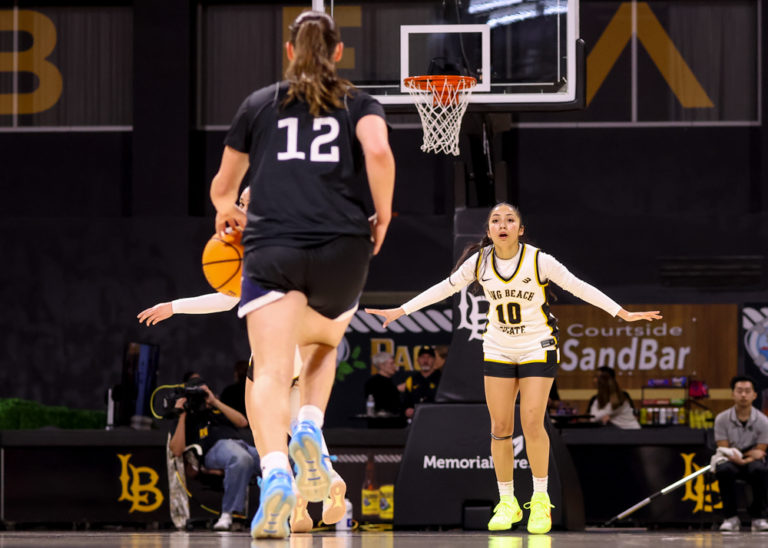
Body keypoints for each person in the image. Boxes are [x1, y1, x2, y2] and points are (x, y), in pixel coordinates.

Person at [209, 9, 394, 539]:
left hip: (274, 246)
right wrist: (382, 215)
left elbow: (224, 186)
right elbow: (379, 151)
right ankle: (309, 426)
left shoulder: (259, 103)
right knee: (321, 347)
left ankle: (274, 474)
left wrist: (227, 212)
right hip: (343, 245)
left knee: (269, 371)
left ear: (289, 52)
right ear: (338, 52)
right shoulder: (360, 102)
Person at [366, 203, 661, 534]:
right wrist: (401, 310)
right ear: (489, 230)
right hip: (498, 347)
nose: (502, 225)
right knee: (500, 427)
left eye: (509, 220)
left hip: (537, 346)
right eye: (496, 220)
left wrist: (621, 312)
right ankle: (507, 501)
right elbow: (445, 287)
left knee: (532, 422)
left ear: (520, 230)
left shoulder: (539, 260)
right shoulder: (479, 262)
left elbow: (578, 285)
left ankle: (540, 500)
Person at [137, 188, 350, 534]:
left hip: (277, 340)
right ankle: (327, 482)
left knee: (264, 421)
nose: (239, 208)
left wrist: (174, 306)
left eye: (246, 203)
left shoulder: (253, 245)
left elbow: (226, 299)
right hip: (310, 340)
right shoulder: (299, 234)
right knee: (298, 421)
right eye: (240, 202)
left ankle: (286, 489)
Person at [168, 372, 257, 531]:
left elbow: (243, 422)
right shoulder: (188, 418)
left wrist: (215, 402)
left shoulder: (216, 410)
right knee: (241, 459)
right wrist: (182, 414)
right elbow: (176, 450)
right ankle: (228, 514)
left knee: (278, 460)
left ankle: (292, 512)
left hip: (241, 445)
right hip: (214, 449)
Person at [713, 375, 768, 532]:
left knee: (760, 469)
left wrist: (746, 459)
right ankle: (730, 518)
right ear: (733, 394)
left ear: (754, 395)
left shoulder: (764, 421)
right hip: (730, 460)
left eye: (747, 391)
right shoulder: (721, 419)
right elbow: (724, 449)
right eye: (739, 391)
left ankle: (759, 517)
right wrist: (745, 457)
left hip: (752, 462)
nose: (743, 395)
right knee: (723, 470)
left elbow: (761, 451)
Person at [402, 346, 442, 419]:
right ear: (418, 360)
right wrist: (407, 410)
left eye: (429, 357)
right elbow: (406, 403)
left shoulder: (441, 379)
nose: (425, 360)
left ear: (434, 360)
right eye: (422, 357)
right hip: (417, 419)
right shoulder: (411, 380)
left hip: (437, 417)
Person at [364, 352, 405, 421]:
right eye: (391, 363)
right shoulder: (372, 383)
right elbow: (379, 402)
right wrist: (397, 390)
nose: (395, 366)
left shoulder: (393, 381)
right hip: (380, 424)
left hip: (395, 423)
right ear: (381, 366)